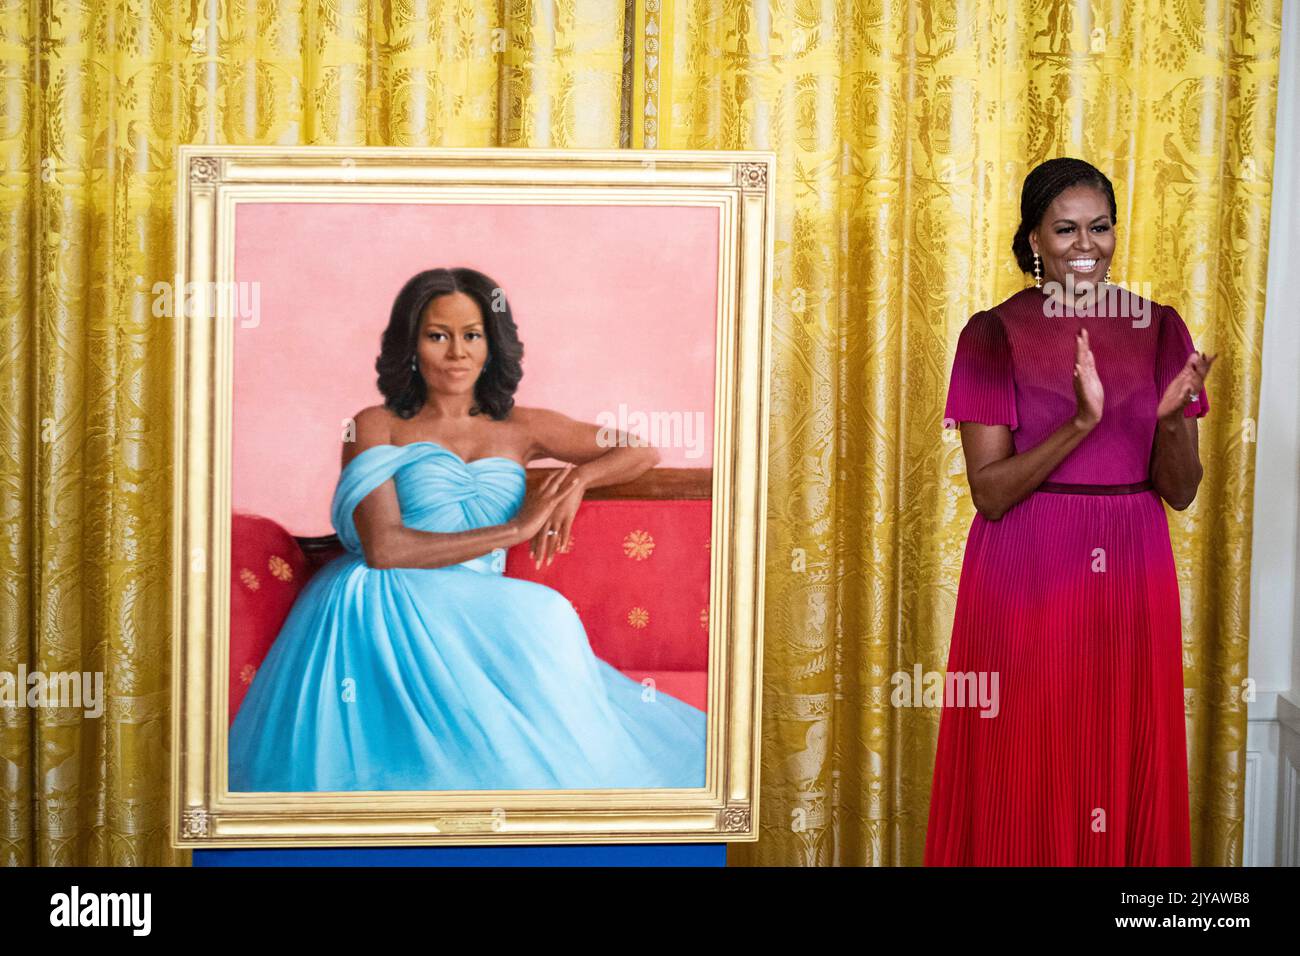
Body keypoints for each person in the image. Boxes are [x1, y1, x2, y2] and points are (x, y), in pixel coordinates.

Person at [228, 267, 707, 791]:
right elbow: (385, 548)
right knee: (541, 613)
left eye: (471, 335)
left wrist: (581, 478)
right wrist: (516, 529)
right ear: (410, 345)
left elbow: (641, 449)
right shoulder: (373, 424)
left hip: (476, 594)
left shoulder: (523, 426)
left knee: (541, 620)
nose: (456, 352)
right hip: (382, 597)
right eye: (438, 335)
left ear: (491, 345)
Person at [924, 158, 1215, 865]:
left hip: (1132, 568)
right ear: (1032, 240)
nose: (1086, 244)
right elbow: (990, 493)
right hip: (1029, 572)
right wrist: (1081, 424)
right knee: (1028, 756)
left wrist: (1172, 422)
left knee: (1121, 748)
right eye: (1065, 229)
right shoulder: (990, 335)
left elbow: (1180, 491)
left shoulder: (1159, 328)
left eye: (1100, 227)